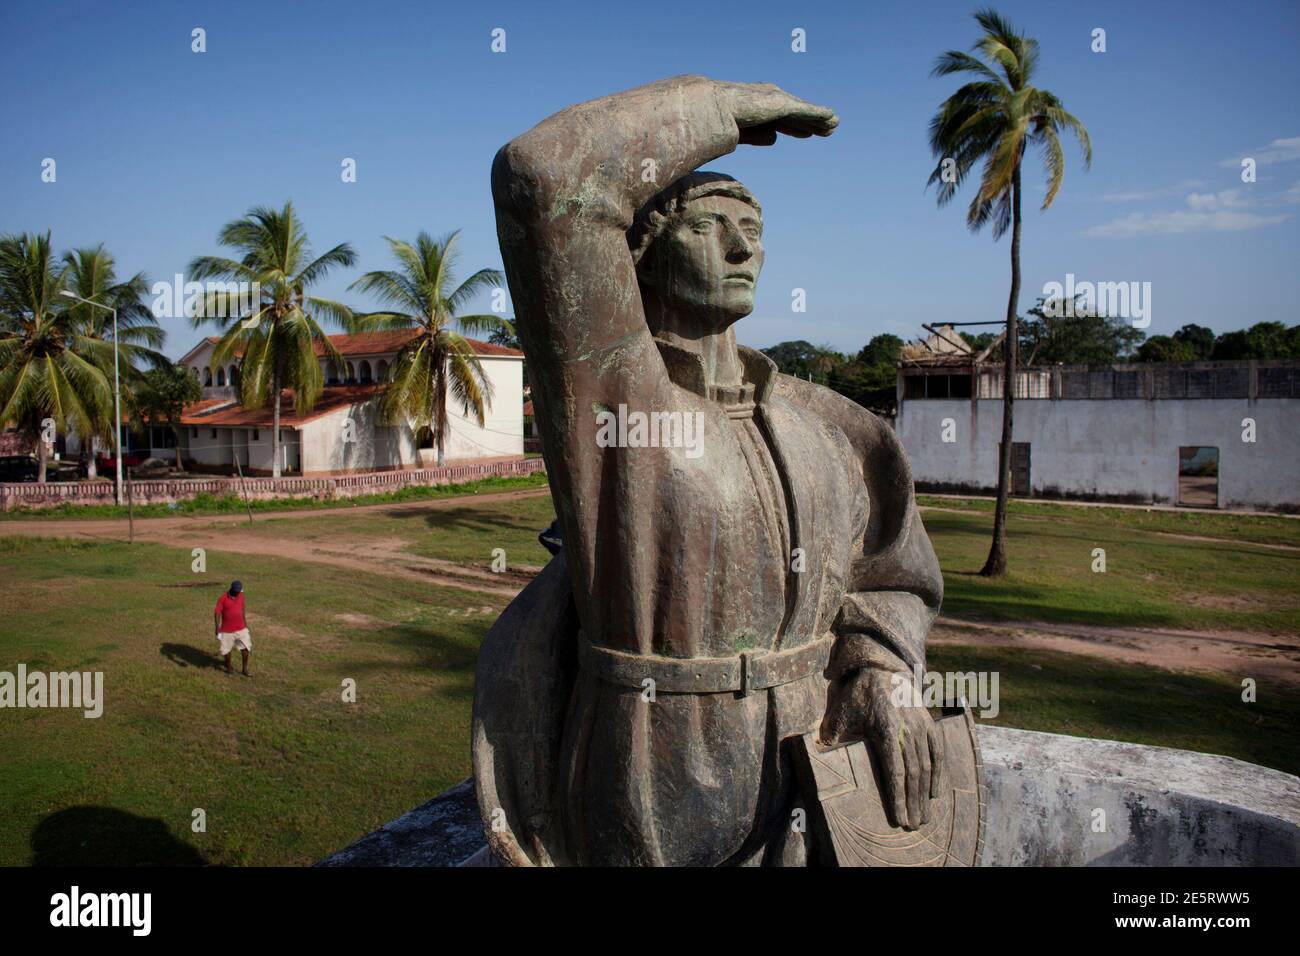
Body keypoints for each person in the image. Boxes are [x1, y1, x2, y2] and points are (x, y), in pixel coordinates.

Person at [473, 76, 945, 866]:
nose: (742, 248)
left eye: (753, 229)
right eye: (709, 227)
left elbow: (888, 577)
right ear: (642, 256)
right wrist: (712, 109)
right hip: (652, 764)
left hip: (810, 759)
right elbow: (540, 178)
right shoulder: (619, 399)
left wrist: (882, 674)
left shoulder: (830, 427)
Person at [214, 580, 251, 676]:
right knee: (226, 650)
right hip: (226, 630)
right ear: (231, 589)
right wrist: (217, 627)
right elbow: (217, 613)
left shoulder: (241, 595)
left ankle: (245, 670)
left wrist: (245, 624)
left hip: (241, 628)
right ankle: (229, 669)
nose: (239, 593)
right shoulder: (223, 598)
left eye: (239, 591)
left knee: (245, 648)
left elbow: (242, 609)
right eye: (237, 591)